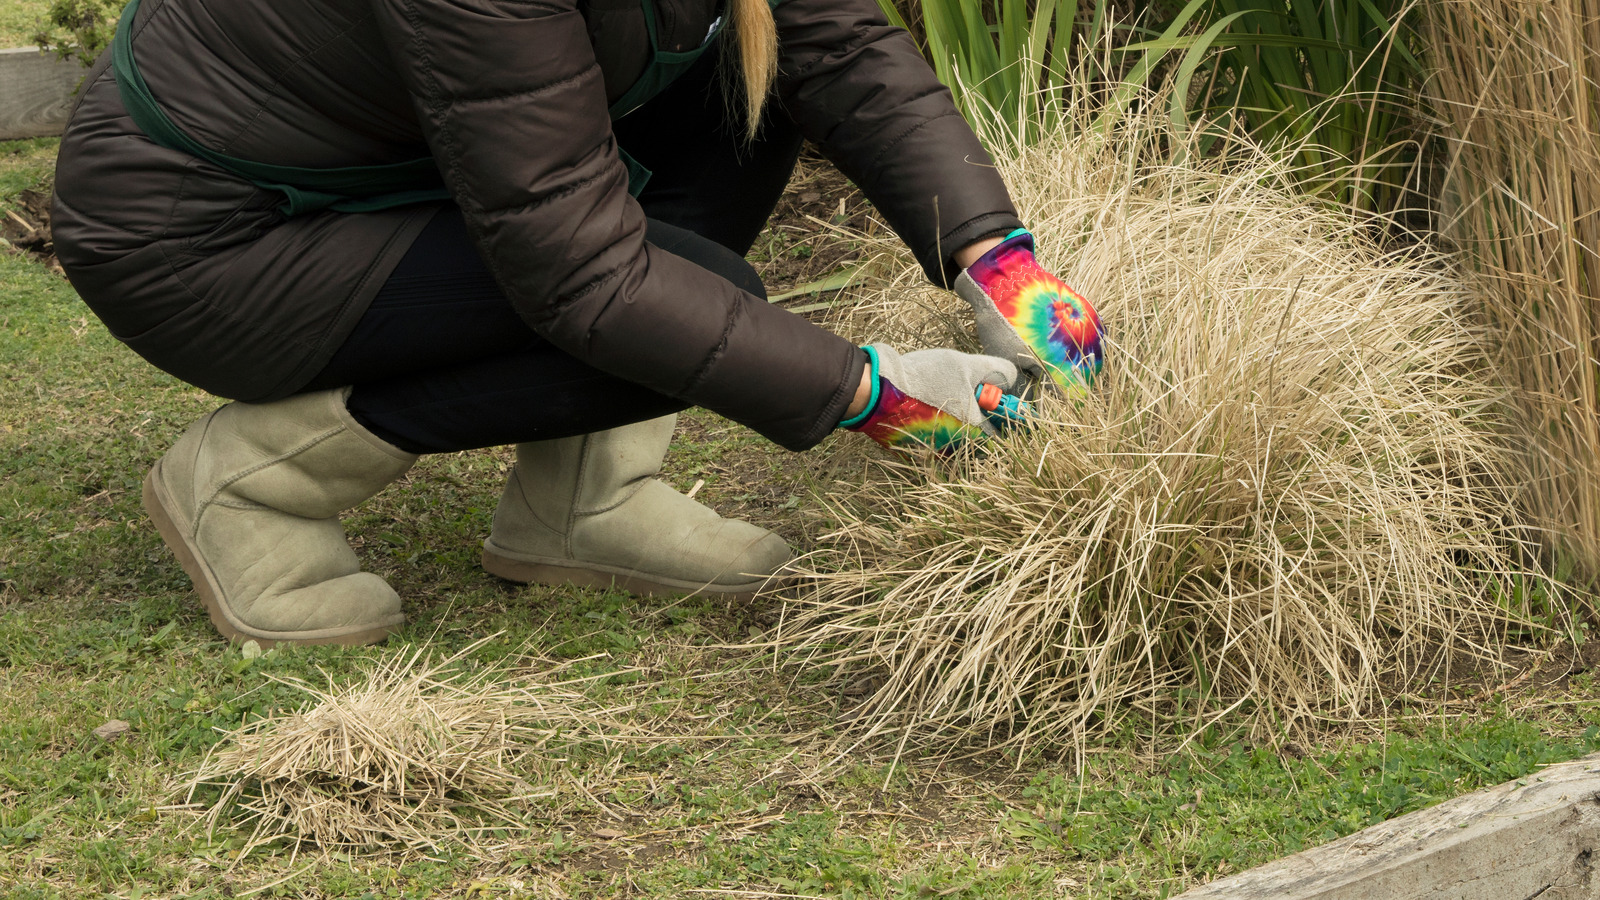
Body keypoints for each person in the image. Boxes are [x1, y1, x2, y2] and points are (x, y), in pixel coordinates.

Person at [50, 0, 1102, 648]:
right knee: (691, 304)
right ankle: (254, 481)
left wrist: (998, 262)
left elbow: (844, 47)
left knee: (753, 66)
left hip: (400, 167)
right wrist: (870, 393)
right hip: (210, 239)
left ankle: (585, 497)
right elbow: (586, 280)